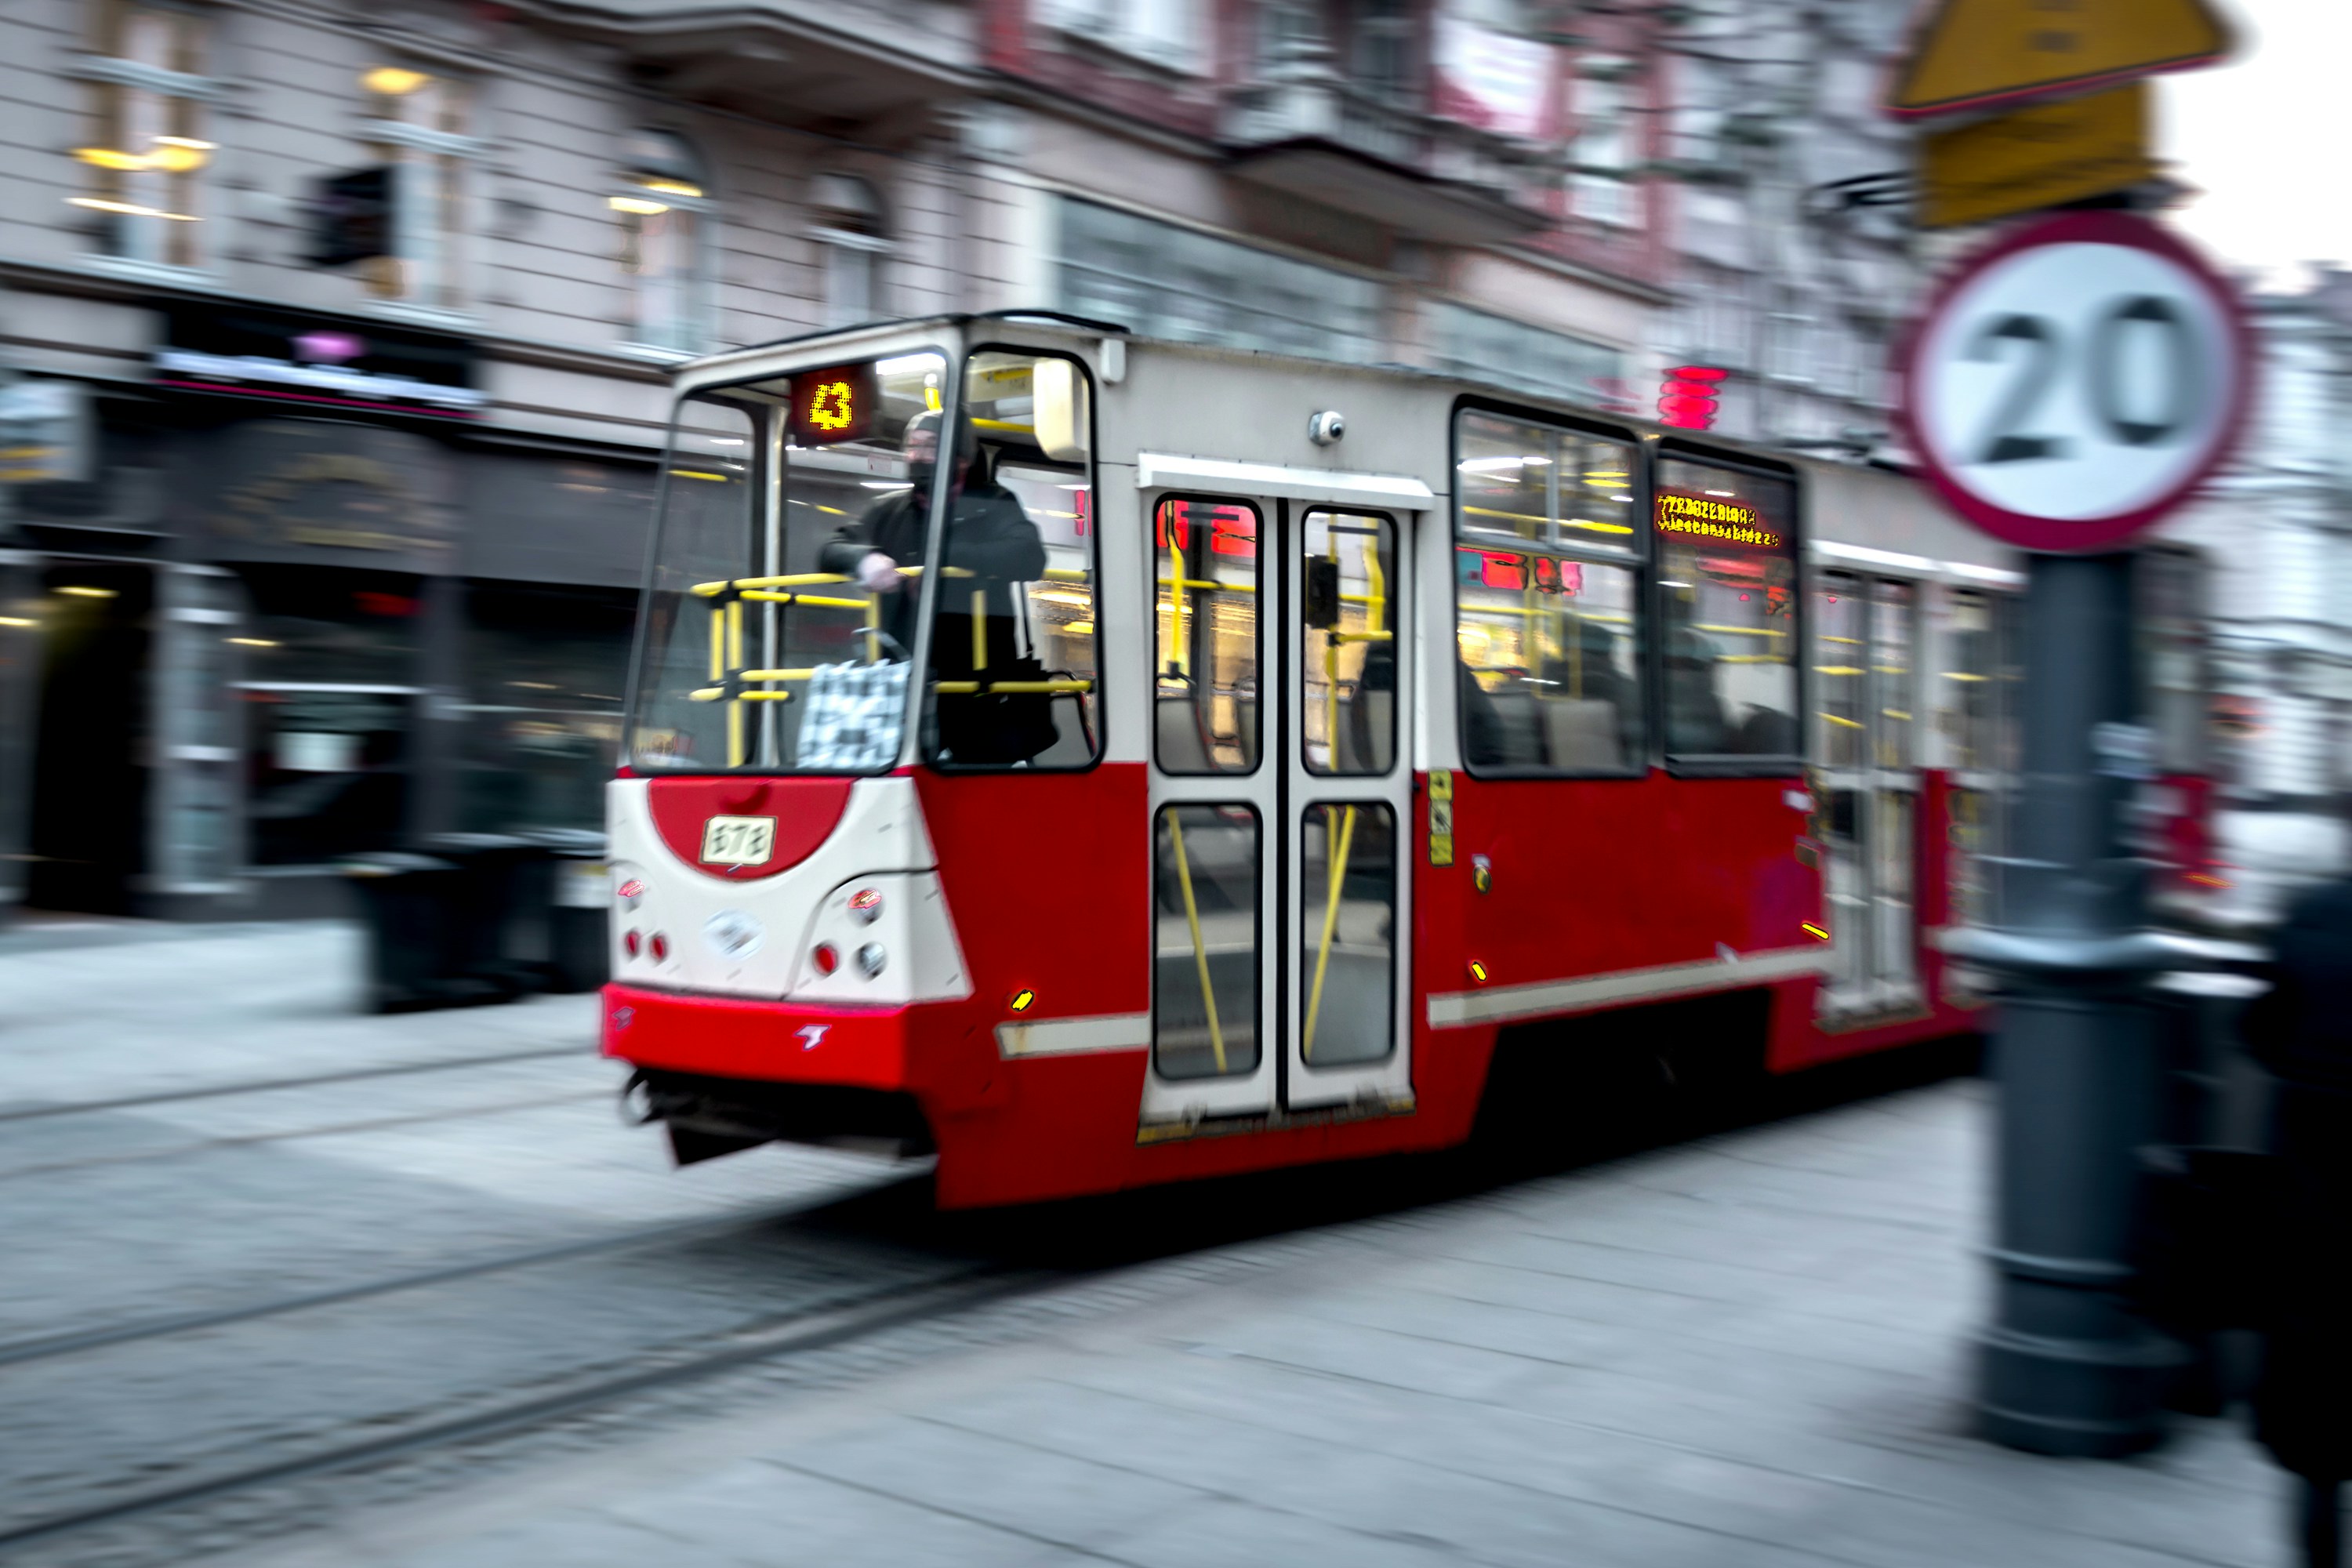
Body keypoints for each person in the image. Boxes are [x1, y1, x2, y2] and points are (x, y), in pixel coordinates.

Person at [818, 409, 1048, 761]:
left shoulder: (993, 506)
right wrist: (863, 560)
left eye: (929, 447)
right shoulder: (888, 511)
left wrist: (940, 561)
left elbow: (1029, 557)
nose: (917, 456)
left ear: (961, 458)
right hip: (900, 679)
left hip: (977, 683)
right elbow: (830, 550)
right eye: (912, 447)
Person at [2240, 866, 2352, 1567]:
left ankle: (2318, 1534)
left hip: (2313, 1184)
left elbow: (2258, 1028)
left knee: (2316, 1377)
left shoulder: (2315, 910)